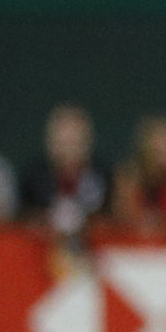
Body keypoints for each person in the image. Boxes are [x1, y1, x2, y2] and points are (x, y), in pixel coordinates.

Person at [16, 105, 108, 250]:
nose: (68, 149)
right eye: (62, 142)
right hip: (41, 253)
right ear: (50, 143)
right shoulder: (33, 177)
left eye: (75, 142)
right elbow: (20, 222)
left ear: (87, 142)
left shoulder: (102, 175)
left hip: (93, 253)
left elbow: (112, 221)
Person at [114, 115, 166, 237]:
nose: (163, 159)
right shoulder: (128, 179)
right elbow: (124, 219)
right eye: (158, 151)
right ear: (145, 149)